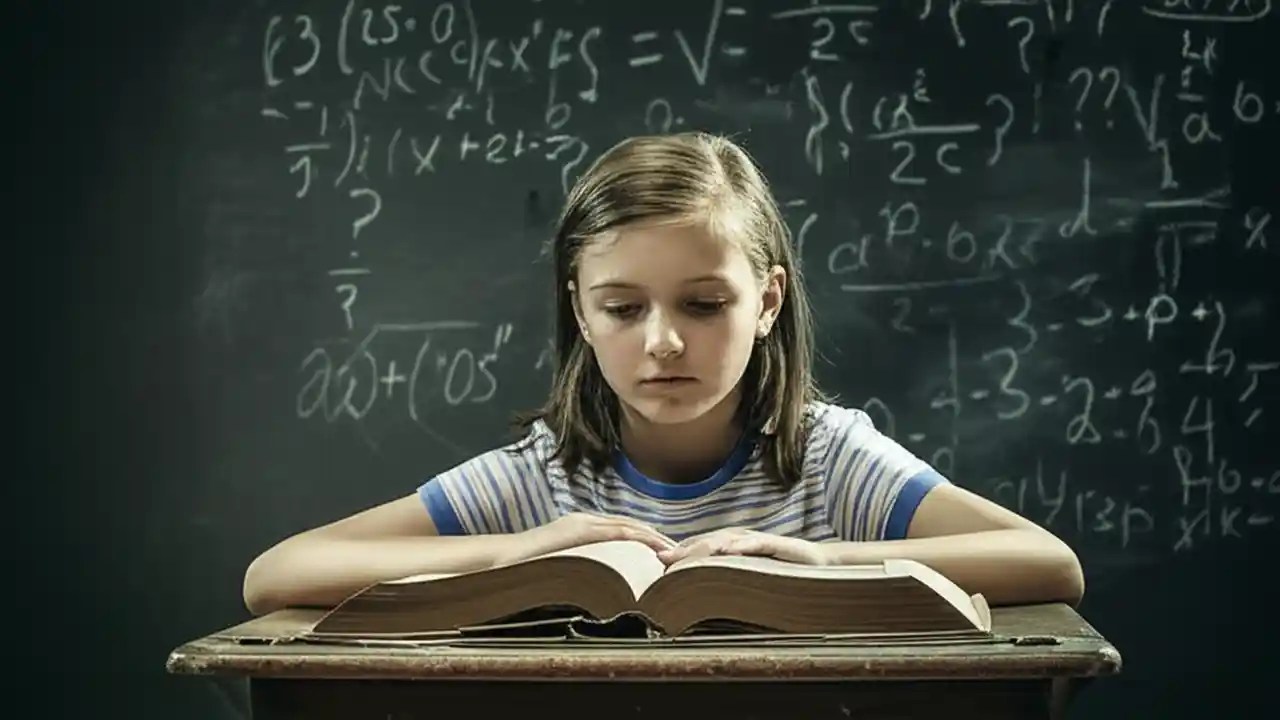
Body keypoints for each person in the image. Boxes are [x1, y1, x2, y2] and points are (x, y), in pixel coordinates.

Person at [242, 131, 1084, 617]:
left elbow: (1048, 563)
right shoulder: (543, 478)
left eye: (704, 305)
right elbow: (274, 576)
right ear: (580, 310)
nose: (664, 343)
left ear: (767, 302)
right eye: (622, 308)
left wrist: (822, 561)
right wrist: (523, 552)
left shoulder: (828, 462)